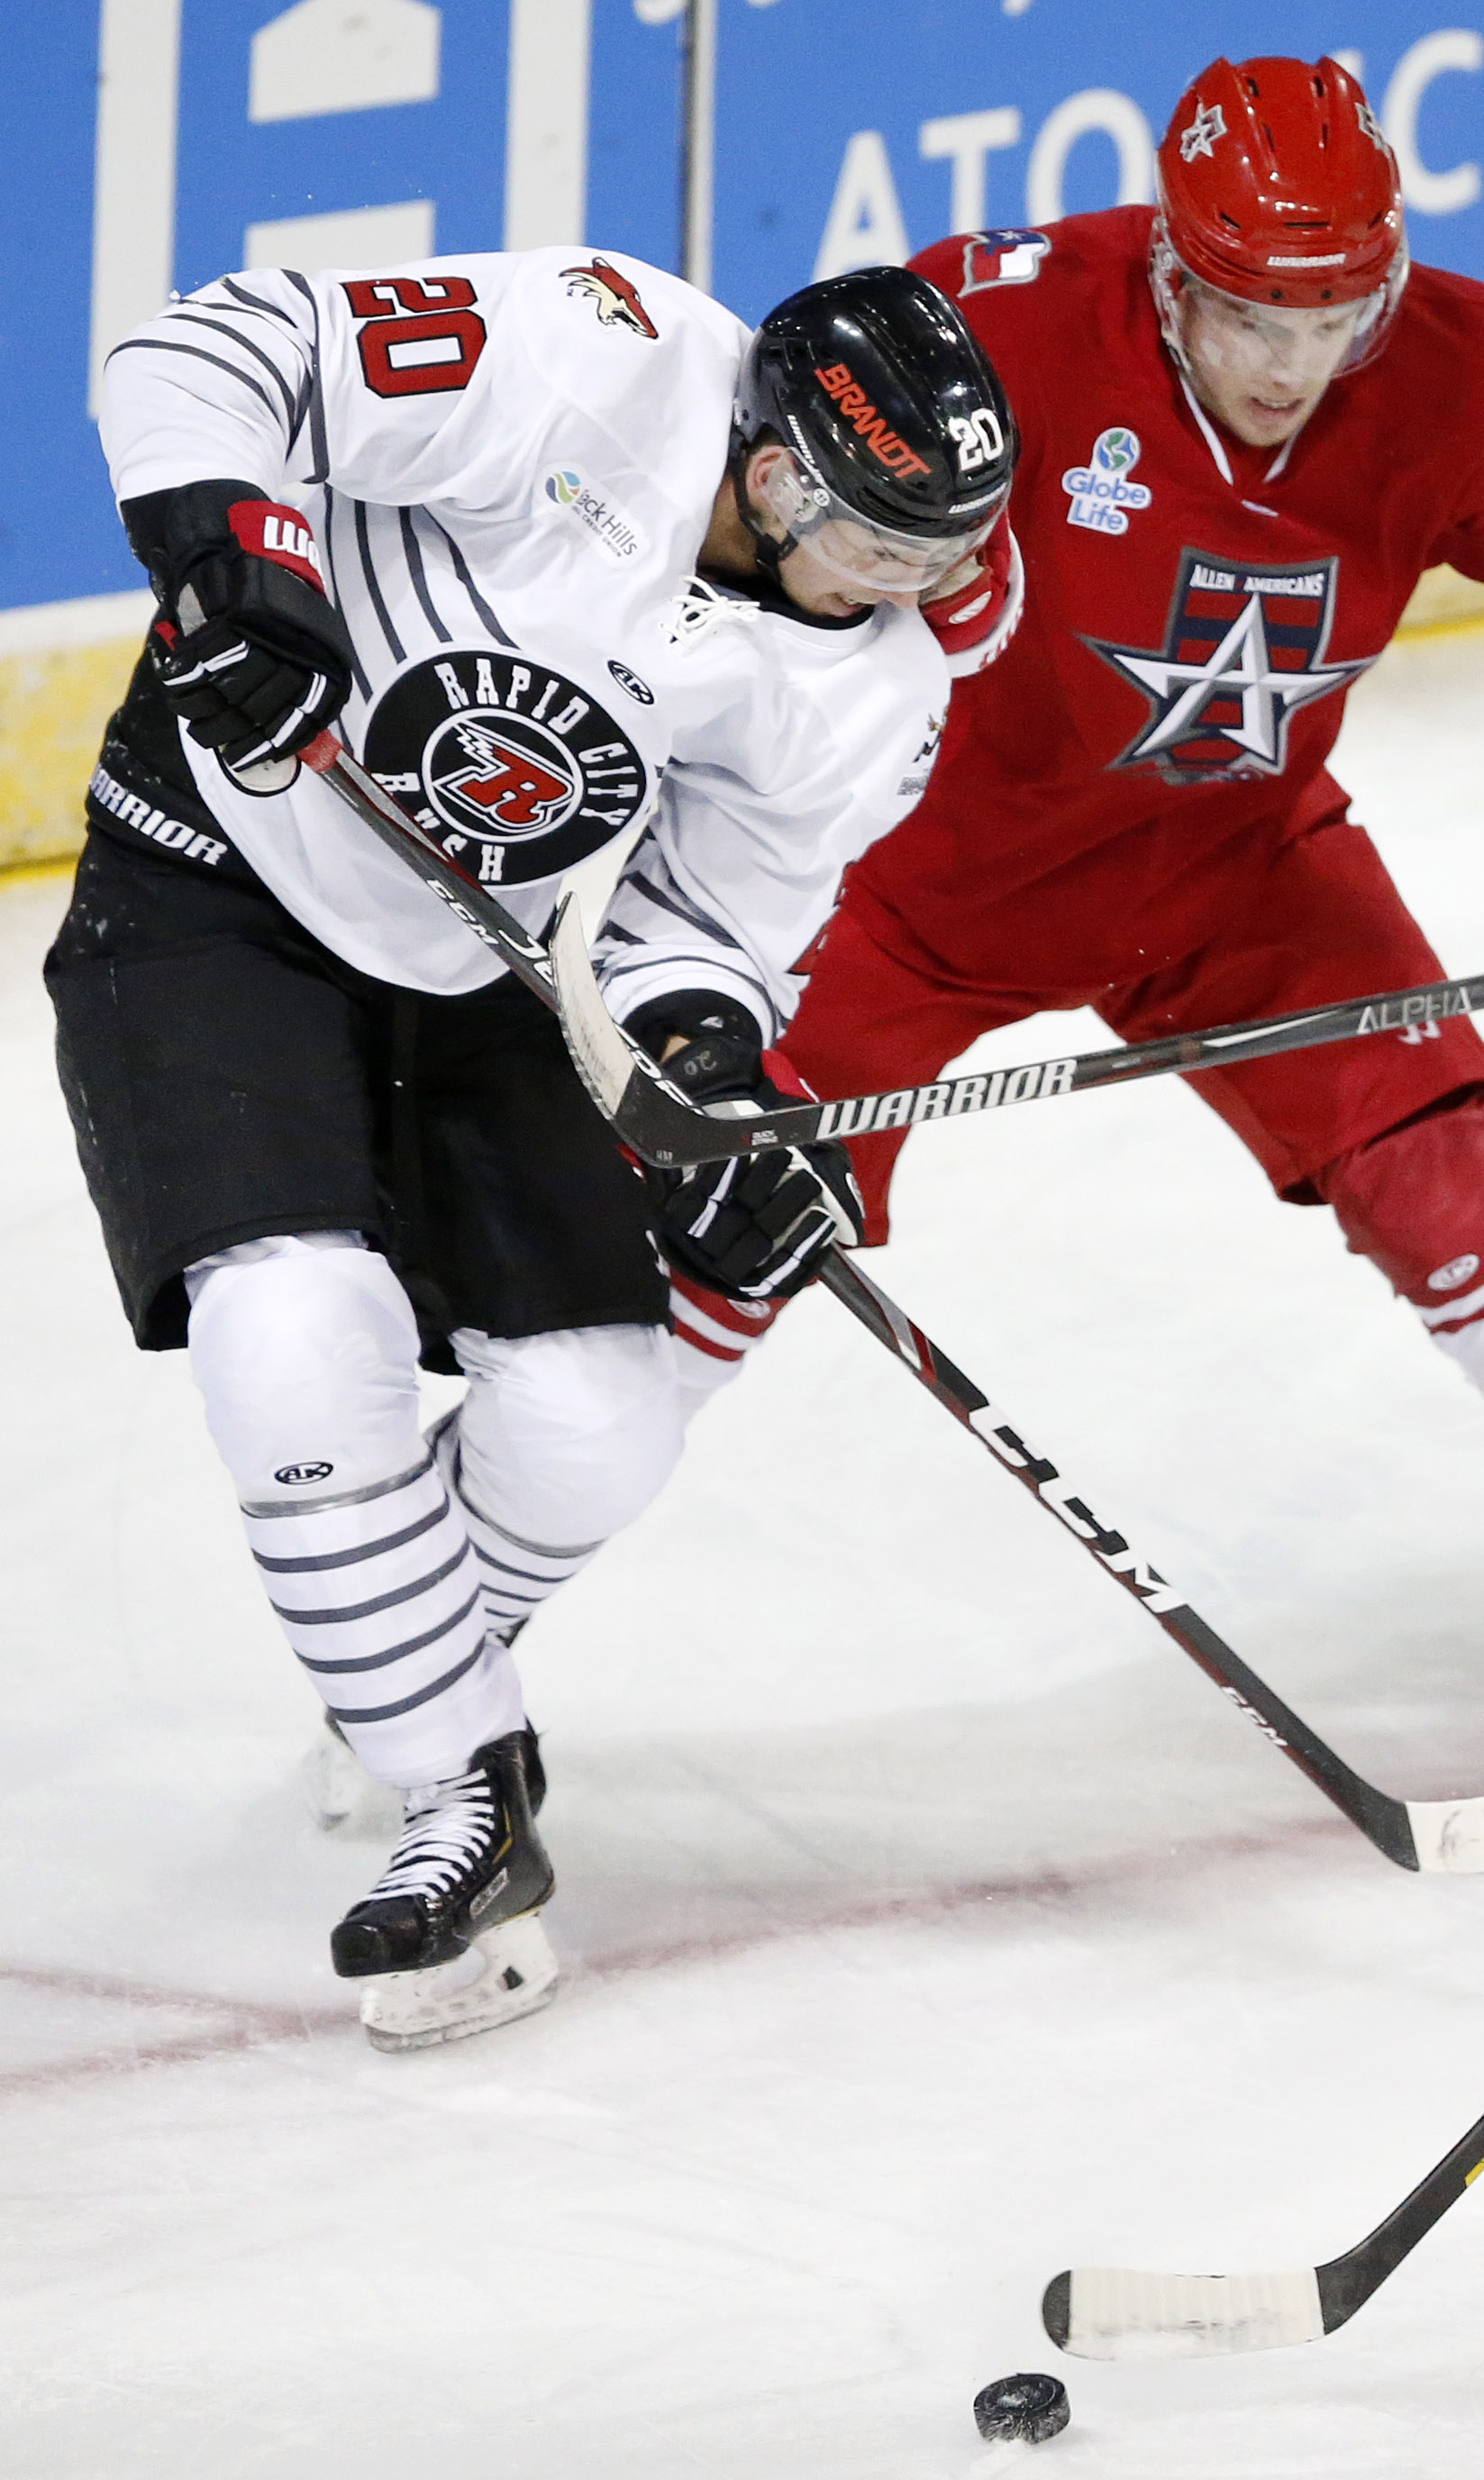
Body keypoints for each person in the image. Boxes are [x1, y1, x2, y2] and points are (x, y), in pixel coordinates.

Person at [718, 55, 1484, 1763]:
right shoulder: (990, 325)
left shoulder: (1458, 367)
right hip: (912, 880)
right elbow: (749, 527)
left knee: (1461, 1191)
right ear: (1170, 264)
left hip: (1244, 872)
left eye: (1338, 321)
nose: (1294, 368)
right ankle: (440, 1671)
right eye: (1251, 317)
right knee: (697, 1234)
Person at [56, 249, 1015, 2047]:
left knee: (599, 1421)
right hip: (217, 876)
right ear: (780, 464)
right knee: (294, 1331)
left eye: (935, 560)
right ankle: (460, 1791)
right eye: (880, 544)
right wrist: (230, 564)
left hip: (497, 964)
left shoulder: (875, 686)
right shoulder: (597, 355)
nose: (905, 590)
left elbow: (703, 920)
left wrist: (710, 1081)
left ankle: (398, 1659)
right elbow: (205, 348)